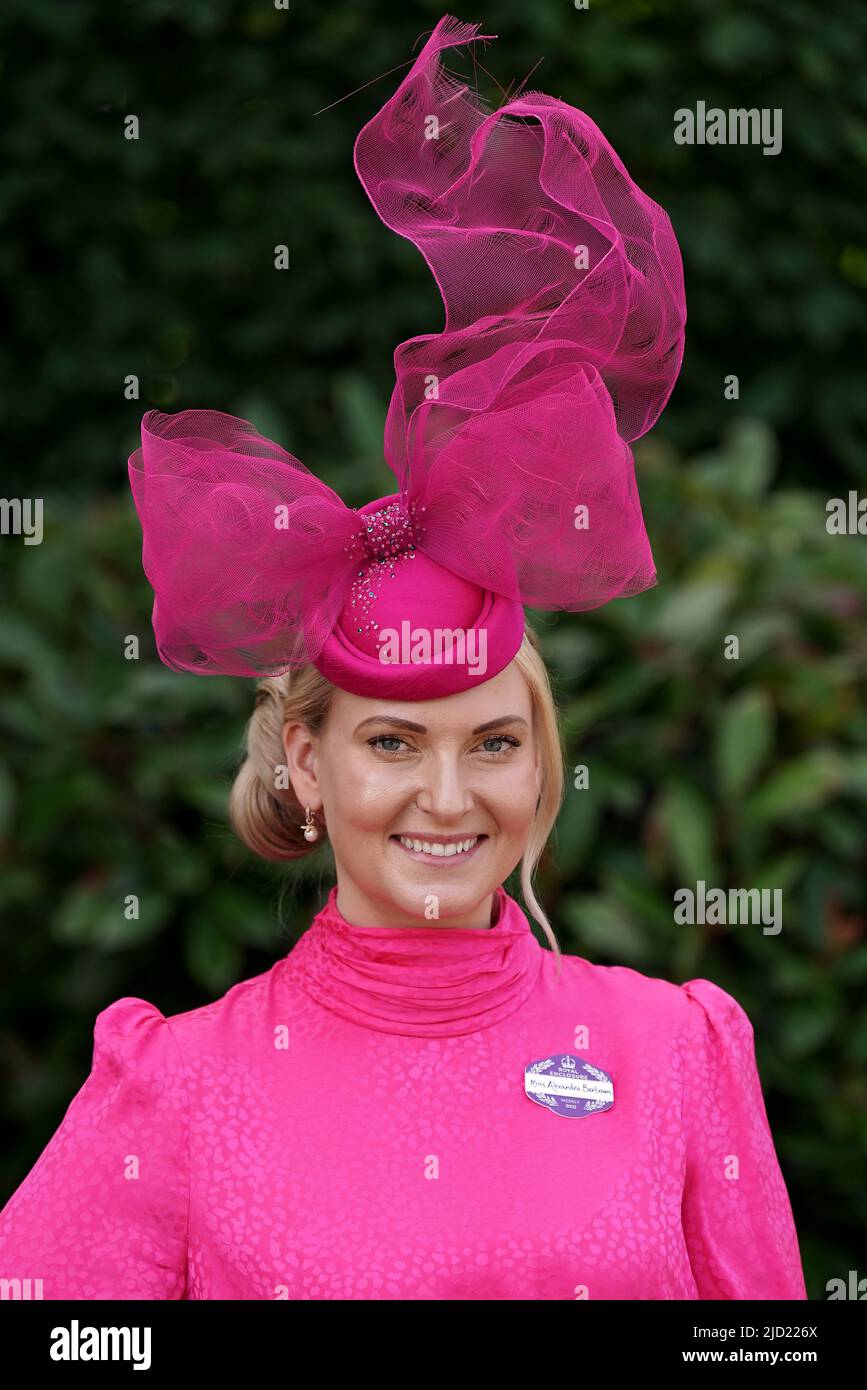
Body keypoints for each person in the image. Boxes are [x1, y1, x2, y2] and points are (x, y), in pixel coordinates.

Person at [0, 15, 806, 1301]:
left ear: (542, 763)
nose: (448, 795)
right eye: (391, 740)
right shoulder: (177, 1088)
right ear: (307, 767)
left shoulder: (676, 1053)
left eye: (493, 741)